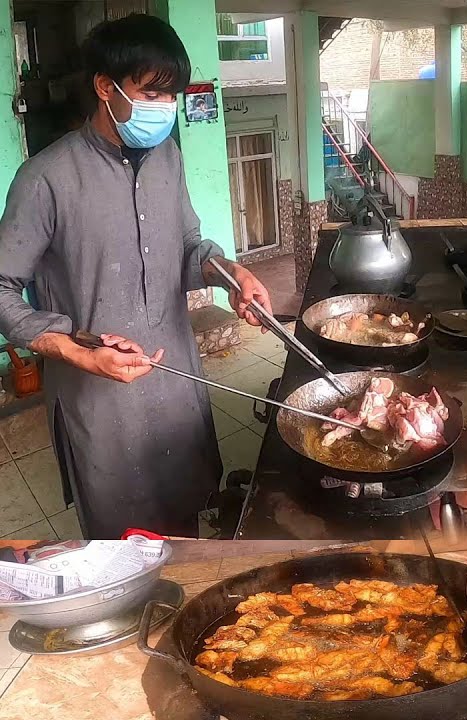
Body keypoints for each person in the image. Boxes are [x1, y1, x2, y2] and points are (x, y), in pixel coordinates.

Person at [0, 15, 273, 539]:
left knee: (188, 527)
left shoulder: (168, 157)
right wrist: (76, 351)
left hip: (175, 382)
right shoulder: (45, 179)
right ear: (106, 87)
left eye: (171, 95)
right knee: (123, 544)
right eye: (151, 93)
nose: (164, 108)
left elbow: (189, 247)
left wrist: (231, 274)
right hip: (98, 399)